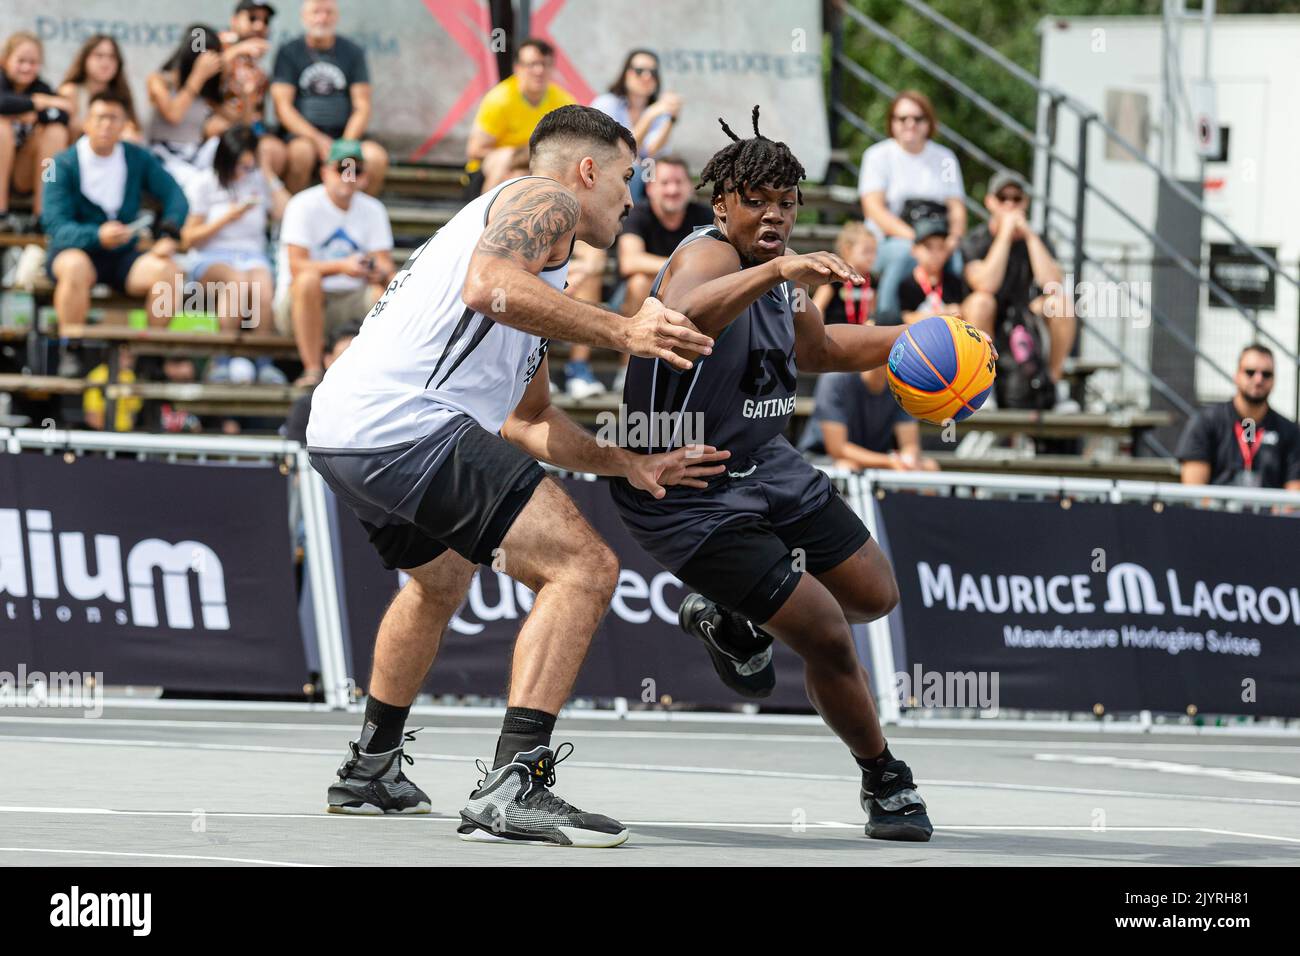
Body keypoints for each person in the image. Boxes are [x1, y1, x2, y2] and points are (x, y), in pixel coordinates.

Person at [305, 105, 719, 846]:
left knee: (441, 579)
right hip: (402, 424)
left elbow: (531, 423)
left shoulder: (537, 286)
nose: (631, 199)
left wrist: (630, 461)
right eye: (628, 178)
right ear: (587, 171)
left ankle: (371, 766)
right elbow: (485, 282)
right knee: (584, 569)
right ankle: (513, 783)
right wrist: (624, 329)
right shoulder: (545, 200)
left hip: (344, 431)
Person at [611, 106, 934, 842]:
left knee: (873, 594)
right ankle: (884, 778)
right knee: (824, 631)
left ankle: (730, 617)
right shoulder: (708, 258)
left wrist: (918, 335)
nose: (774, 214)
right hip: (682, 478)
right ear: (721, 203)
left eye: (786, 202)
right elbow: (684, 315)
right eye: (755, 199)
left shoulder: (783, 280)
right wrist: (776, 270)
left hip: (765, 462)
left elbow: (821, 350)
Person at [42, 92, 189, 333]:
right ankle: (72, 347)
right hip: (75, 251)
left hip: (123, 255)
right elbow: (54, 225)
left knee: (169, 272)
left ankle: (151, 355)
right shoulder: (59, 164)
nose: (106, 125)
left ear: (124, 124)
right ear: (86, 122)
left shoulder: (137, 157)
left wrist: (168, 233)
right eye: (100, 117)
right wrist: (97, 235)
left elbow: (176, 195)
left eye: (113, 118)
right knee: (74, 268)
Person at [566, 154, 711, 396]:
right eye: (665, 183)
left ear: (690, 187)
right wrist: (683, 266)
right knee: (641, 281)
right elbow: (630, 262)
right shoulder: (638, 213)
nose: (673, 189)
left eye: (679, 182)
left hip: (685, 296)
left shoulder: (703, 216)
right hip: (631, 299)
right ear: (651, 188)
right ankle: (629, 371)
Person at [274, 139, 394, 385]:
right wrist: (341, 266)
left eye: (356, 170)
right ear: (325, 172)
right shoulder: (302, 205)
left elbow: (385, 264)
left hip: (351, 299)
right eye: (342, 169)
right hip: (303, 305)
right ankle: (312, 369)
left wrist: (375, 270)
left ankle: (381, 374)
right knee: (307, 280)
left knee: (387, 287)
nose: (348, 176)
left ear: (364, 177)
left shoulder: (374, 209)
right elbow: (296, 266)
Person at [182, 125, 290, 383]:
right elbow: (188, 238)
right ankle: (221, 359)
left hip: (252, 256)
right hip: (211, 257)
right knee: (237, 282)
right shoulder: (205, 182)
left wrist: (266, 172)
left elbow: (288, 213)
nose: (242, 172)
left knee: (263, 287)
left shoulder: (258, 180)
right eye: (238, 166)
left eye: (247, 165)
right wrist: (227, 218)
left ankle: (264, 361)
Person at [962, 169, 1075, 408]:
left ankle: (1053, 387)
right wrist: (1004, 234)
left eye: (1017, 198)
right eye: (1003, 198)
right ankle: (983, 389)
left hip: (1023, 323)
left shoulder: (1036, 238)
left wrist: (1031, 238)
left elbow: (1052, 283)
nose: (1010, 204)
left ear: (1025, 202)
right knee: (981, 302)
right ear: (990, 202)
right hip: (985, 323)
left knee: (1061, 304)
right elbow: (985, 284)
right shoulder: (976, 240)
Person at [859, 90, 965, 324]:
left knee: (956, 260)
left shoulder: (945, 158)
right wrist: (916, 239)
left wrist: (953, 240)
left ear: (929, 122)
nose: (910, 124)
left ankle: (956, 326)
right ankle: (887, 321)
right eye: (902, 118)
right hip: (890, 239)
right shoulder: (877, 156)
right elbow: (874, 209)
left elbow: (957, 208)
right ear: (892, 122)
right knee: (903, 254)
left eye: (917, 118)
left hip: (936, 238)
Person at [271, 0, 388, 195]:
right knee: (300, 154)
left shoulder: (352, 52)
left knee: (375, 158)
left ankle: (355, 215)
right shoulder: (289, 52)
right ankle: (292, 216)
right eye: (316, 12)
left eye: (328, 12)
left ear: (336, 17)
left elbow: (362, 106)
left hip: (345, 136)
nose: (322, 18)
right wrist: (318, 140)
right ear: (304, 17)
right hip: (304, 137)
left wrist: (343, 146)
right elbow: (282, 108)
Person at [1176, 344, 1300, 490]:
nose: (1258, 379)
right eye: (1250, 372)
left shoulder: (1290, 431)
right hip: (1215, 512)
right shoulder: (1205, 421)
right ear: (1237, 375)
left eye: (1266, 374)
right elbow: (1194, 492)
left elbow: (1294, 498)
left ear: (1274, 381)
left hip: (1268, 512)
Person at [466, 38, 575, 194]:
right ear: (517, 68)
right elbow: (475, 150)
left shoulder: (564, 101)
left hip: (538, 166)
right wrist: (516, 155)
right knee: (505, 162)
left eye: (545, 64)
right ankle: (486, 215)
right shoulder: (500, 99)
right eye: (532, 64)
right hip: (492, 172)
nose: (539, 71)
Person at [800, 363, 938, 472]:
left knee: (930, 467)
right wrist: (889, 461)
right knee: (847, 468)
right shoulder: (836, 379)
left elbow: (909, 444)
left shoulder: (902, 387)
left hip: (879, 460)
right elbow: (838, 449)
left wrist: (909, 460)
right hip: (821, 458)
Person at [0, 32, 73, 228]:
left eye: (33, 62)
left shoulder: (41, 86)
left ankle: (43, 214)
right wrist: (35, 103)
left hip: (23, 174)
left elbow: (63, 115)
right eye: (21, 60)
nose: (26, 67)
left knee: (56, 132)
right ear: (6, 60)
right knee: (1, 128)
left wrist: (31, 111)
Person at [145, 25, 226, 199]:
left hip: (197, 155)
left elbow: (235, 121)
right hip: (164, 155)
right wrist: (197, 76)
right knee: (197, 185)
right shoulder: (159, 80)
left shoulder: (207, 90)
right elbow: (174, 115)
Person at [591, 49, 680, 204]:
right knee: (636, 169)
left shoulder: (657, 110)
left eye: (652, 72)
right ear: (626, 73)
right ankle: (633, 220)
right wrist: (649, 116)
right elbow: (624, 149)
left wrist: (671, 119)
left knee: (668, 174)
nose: (647, 76)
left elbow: (653, 150)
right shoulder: (607, 104)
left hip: (645, 173)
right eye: (639, 71)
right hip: (605, 171)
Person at [218, 0, 287, 179]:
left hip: (247, 127)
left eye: (265, 21)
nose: (259, 25)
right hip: (216, 126)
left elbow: (258, 113)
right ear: (234, 20)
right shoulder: (215, 44)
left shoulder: (259, 71)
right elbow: (201, 75)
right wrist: (237, 49)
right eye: (252, 18)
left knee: (275, 150)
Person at [58, 34, 142, 145]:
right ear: (85, 59)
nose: (106, 63)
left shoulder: (120, 94)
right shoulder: (70, 91)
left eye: (112, 57)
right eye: (99, 56)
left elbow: (134, 130)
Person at [282, 321, 356, 444]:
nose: (349, 365)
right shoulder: (308, 406)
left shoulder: (377, 403)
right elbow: (293, 456)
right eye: (342, 357)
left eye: (355, 358)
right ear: (327, 360)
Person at [897, 215, 964, 324]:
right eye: (928, 246)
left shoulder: (954, 282)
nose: (935, 253)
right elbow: (908, 319)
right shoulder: (907, 285)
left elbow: (960, 313)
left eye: (941, 247)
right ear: (914, 250)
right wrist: (943, 314)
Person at [813, 221, 876, 326]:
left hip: (860, 335)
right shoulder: (834, 276)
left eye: (874, 251)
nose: (871, 257)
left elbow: (872, 312)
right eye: (866, 251)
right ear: (847, 250)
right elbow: (818, 307)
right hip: (834, 333)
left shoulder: (872, 280)